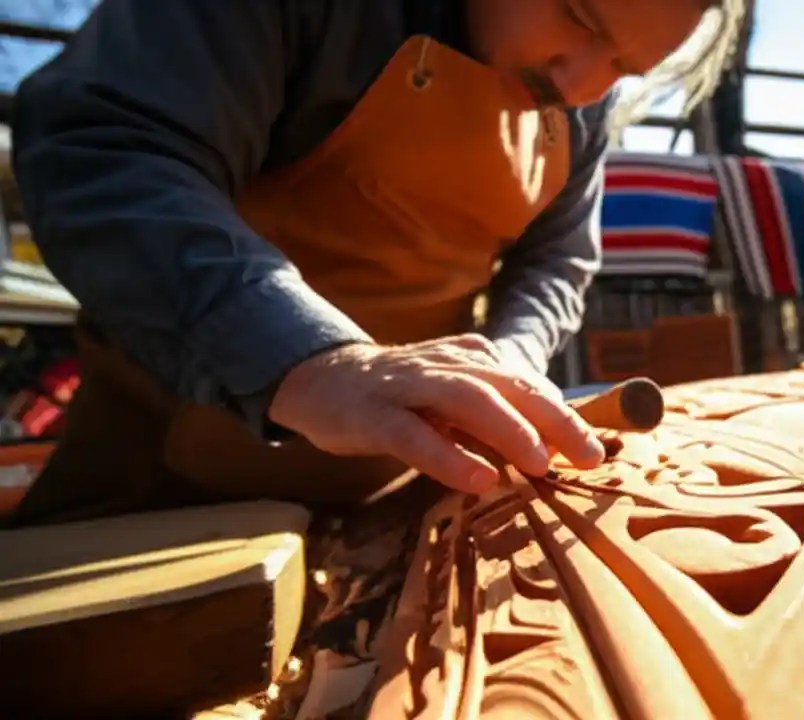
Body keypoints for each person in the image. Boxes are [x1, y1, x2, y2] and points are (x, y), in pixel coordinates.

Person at [8, 0, 743, 525]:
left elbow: (556, 262)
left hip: (399, 494)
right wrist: (311, 358)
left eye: (624, 66)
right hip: (163, 484)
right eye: (579, 19)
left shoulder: (576, 115)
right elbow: (108, 149)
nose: (581, 82)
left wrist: (513, 359)